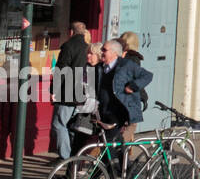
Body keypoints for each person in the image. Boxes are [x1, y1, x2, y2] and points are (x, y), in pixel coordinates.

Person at [94, 39, 152, 149]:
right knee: (117, 146)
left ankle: (113, 165)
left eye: (104, 50)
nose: (101, 52)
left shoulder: (126, 65)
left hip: (118, 112)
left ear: (114, 53)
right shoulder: (100, 67)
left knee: (108, 147)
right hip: (103, 111)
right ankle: (125, 165)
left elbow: (147, 75)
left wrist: (133, 86)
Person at [51, 22, 90, 158]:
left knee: (59, 124)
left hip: (67, 92)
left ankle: (66, 157)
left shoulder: (69, 46)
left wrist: (54, 90)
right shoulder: (87, 48)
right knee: (73, 127)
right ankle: (74, 157)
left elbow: (61, 69)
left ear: (71, 32)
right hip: (81, 93)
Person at [67, 42, 102, 156]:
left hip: (94, 115)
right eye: (88, 53)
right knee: (77, 146)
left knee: (86, 146)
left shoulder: (100, 71)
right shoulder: (85, 69)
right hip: (82, 112)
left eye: (91, 53)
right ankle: (71, 173)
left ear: (99, 55)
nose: (88, 56)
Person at [118, 31, 150, 135]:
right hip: (128, 99)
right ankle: (121, 148)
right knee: (131, 127)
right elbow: (136, 80)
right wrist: (144, 97)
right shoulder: (133, 59)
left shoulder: (117, 56)